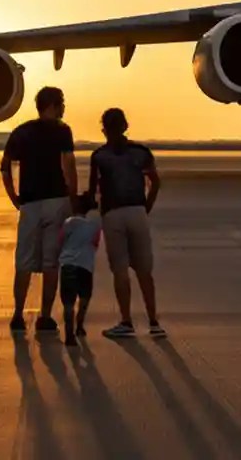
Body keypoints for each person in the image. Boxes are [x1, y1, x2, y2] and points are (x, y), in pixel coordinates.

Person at [0, 86, 78, 333]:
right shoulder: (62, 132)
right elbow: (69, 166)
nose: (64, 108)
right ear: (53, 105)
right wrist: (72, 199)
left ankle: (17, 315)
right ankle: (45, 317)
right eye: (62, 103)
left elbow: (5, 167)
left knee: (23, 262)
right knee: (51, 263)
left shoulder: (21, 132)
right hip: (56, 201)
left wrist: (14, 197)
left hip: (30, 203)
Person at [89, 108, 164, 339]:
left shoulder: (99, 156)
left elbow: (93, 191)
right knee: (144, 271)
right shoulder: (141, 152)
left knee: (120, 270)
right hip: (137, 211)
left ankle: (126, 321)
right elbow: (155, 182)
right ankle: (154, 322)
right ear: (125, 126)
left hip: (113, 214)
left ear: (104, 129)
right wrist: (145, 207)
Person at [58, 191, 101, 347]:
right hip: (85, 266)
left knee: (68, 303)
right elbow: (95, 244)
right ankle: (80, 325)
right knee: (84, 297)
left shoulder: (68, 223)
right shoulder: (94, 226)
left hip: (68, 265)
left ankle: (69, 335)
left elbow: (61, 239)